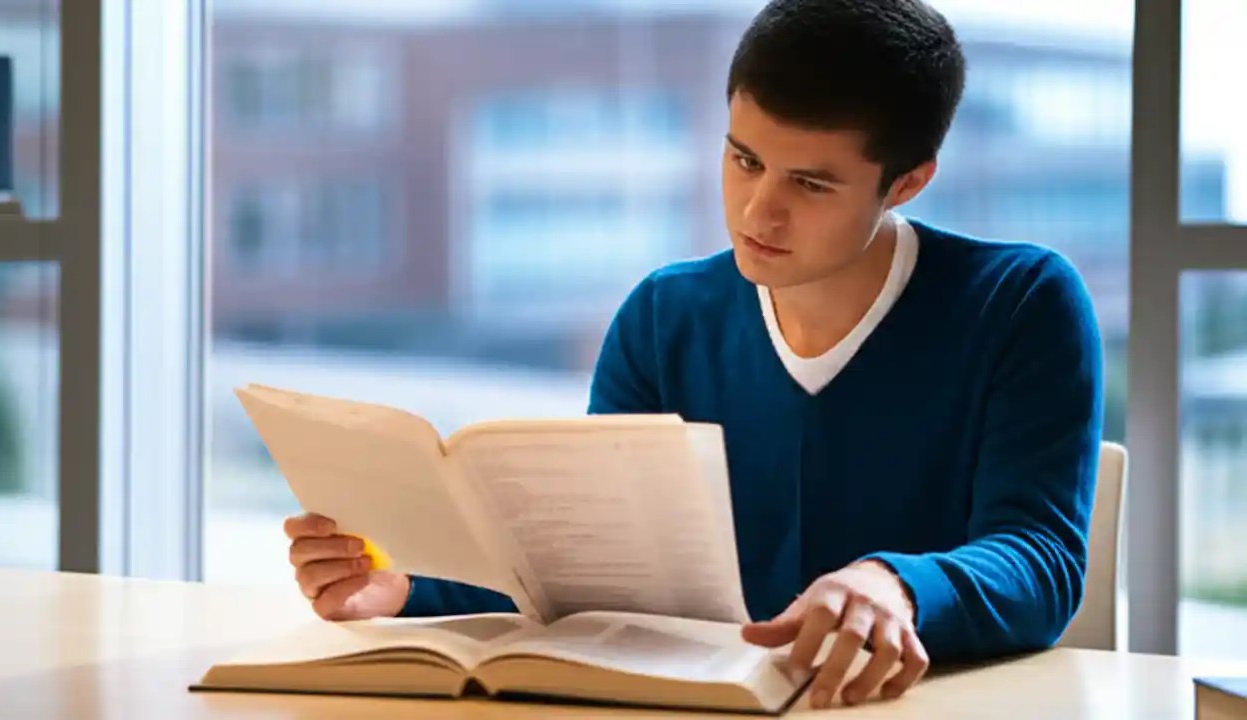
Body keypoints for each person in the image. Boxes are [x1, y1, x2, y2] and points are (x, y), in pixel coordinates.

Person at [282, 0, 1104, 709]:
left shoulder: (1020, 303)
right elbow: (597, 571)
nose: (759, 211)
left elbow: (1041, 558)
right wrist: (406, 588)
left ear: (907, 183)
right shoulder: (664, 317)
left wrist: (898, 585)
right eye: (743, 158)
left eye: (810, 185)